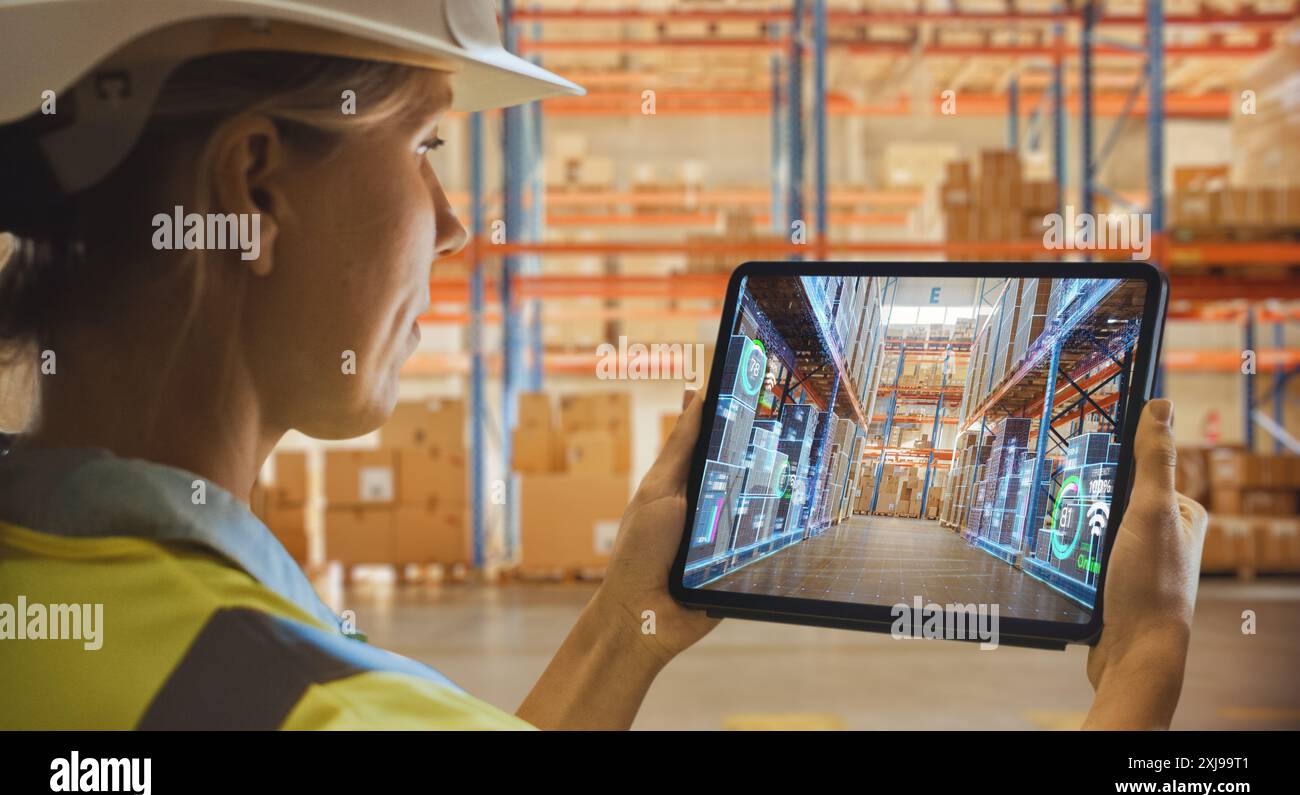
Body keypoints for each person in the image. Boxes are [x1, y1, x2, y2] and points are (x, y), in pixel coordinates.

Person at [0, 1, 1206, 730]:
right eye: (422, 139)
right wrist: (1145, 657)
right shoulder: (293, 697)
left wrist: (632, 616)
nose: (455, 218)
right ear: (252, 185)